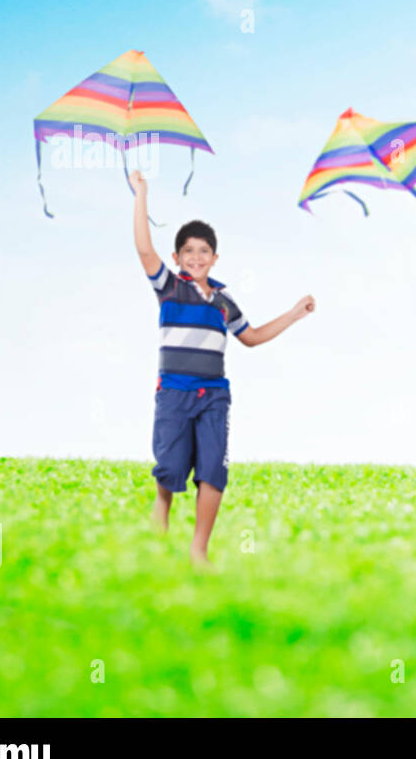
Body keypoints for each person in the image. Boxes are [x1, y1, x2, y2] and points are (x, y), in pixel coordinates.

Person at [131, 169, 315, 565]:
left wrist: (294, 314)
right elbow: (145, 250)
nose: (196, 257)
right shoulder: (170, 287)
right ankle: (159, 533)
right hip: (174, 393)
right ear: (178, 257)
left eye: (204, 251)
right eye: (188, 251)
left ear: (215, 258)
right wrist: (141, 194)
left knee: (213, 469)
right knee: (169, 469)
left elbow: (251, 336)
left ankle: (199, 549)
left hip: (214, 395)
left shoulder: (223, 300)